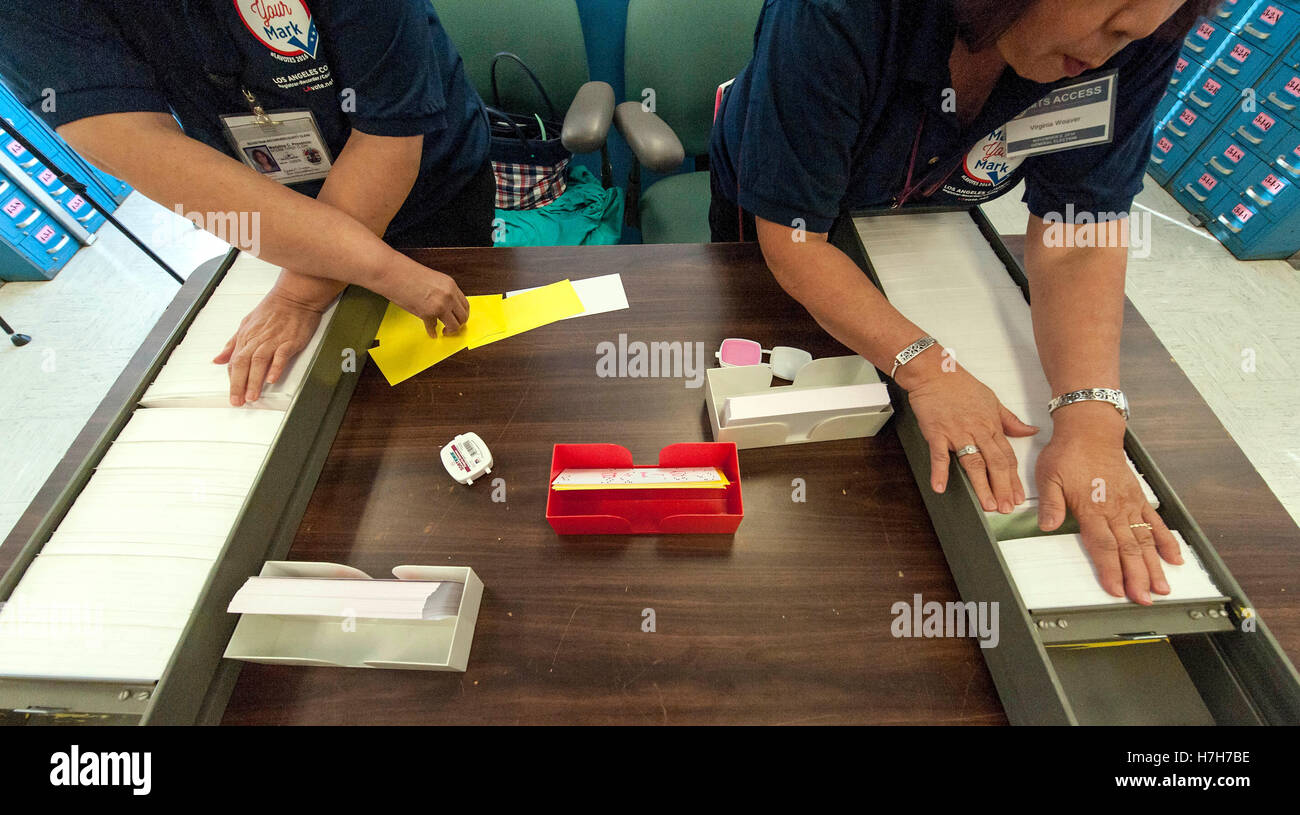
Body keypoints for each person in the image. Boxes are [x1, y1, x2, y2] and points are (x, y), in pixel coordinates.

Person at [710, 0, 1216, 604]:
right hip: (787, 201)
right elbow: (794, 243)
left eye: (1136, 32)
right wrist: (927, 369)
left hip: (919, 215)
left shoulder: (1135, 41)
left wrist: (1090, 423)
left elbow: (1079, 234)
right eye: (1111, 18)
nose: (1114, 47)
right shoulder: (839, 13)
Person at [0, 0, 494, 406]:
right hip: (270, 202)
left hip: (428, 180)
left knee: (461, 370)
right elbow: (131, 141)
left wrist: (302, 293)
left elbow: (388, 135)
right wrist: (318, 272)